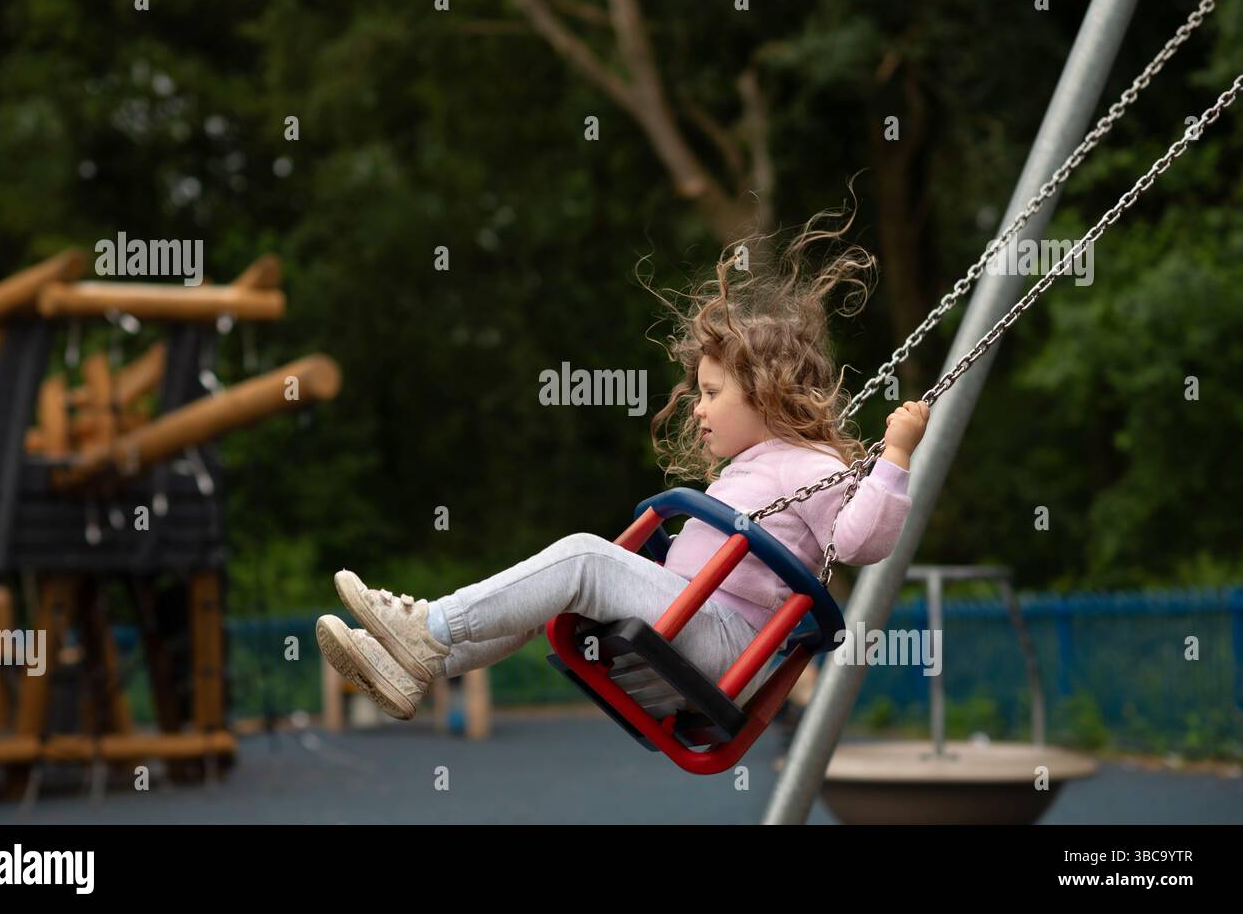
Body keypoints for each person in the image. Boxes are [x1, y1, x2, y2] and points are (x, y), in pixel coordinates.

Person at [317, 198, 930, 721]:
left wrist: (895, 456)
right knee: (555, 590)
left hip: (718, 642)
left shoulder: (804, 461)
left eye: (713, 393)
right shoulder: (752, 467)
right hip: (691, 628)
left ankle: (427, 628)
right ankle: (419, 663)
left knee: (584, 557)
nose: (697, 408)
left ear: (767, 391)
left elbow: (858, 542)